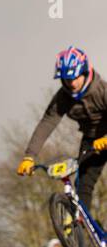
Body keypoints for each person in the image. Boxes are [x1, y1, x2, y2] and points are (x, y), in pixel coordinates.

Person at [16, 47, 107, 212]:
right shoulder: (63, 98)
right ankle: (81, 226)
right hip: (92, 140)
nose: (71, 83)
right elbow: (47, 123)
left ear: (85, 72)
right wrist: (29, 156)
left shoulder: (102, 90)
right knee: (83, 185)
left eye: (74, 78)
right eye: (66, 79)